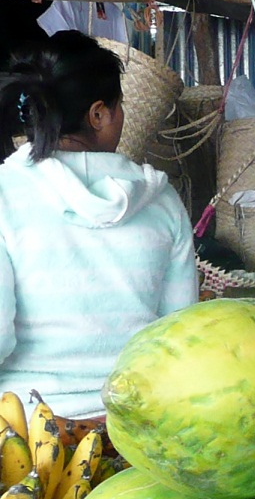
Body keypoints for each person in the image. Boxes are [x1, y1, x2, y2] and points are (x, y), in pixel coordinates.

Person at [0, 31, 198, 419]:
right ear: (99, 114)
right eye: (119, 106)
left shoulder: (5, 194)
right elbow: (179, 336)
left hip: (24, 433)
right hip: (137, 428)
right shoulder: (161, 201)